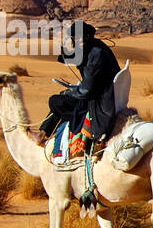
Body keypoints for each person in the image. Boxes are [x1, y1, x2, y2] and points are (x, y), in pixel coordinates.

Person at [39, 20, 119, 156]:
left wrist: (71, 91)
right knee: (63, 97)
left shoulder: (95, 53)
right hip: (104, 96)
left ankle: (43, 134)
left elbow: (86, 90)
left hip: (99, 103)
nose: (77, 40)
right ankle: (44, 133)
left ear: (87, 36)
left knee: (56, 101)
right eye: (75, 38)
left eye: (80, 37)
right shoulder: (96, 47)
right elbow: (80, 58)